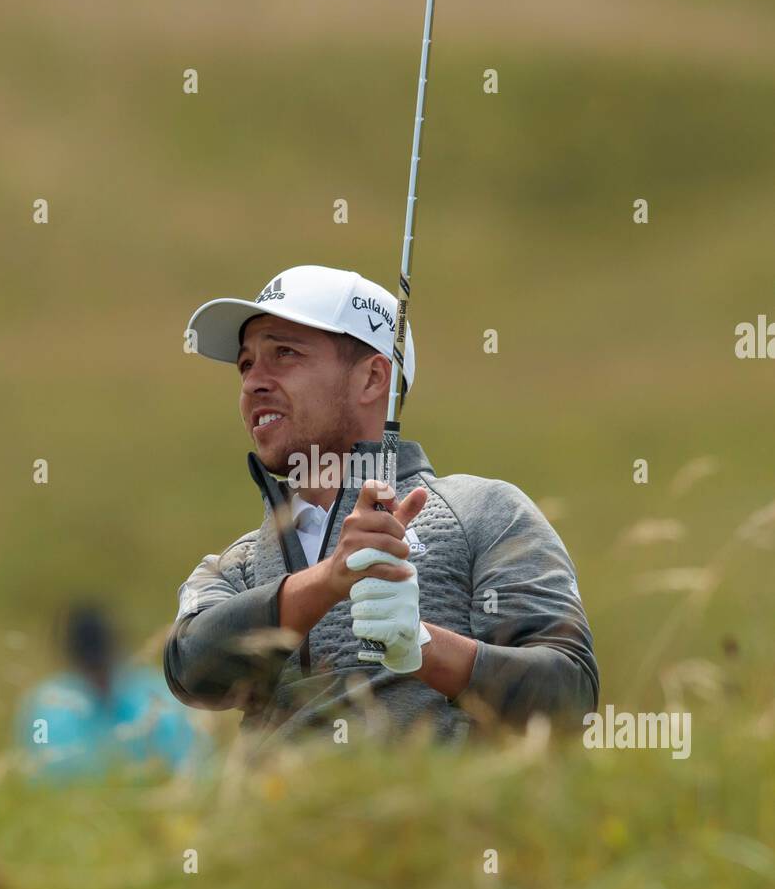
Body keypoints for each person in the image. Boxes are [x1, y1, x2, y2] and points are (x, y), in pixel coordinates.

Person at [165, 264, 598, 746]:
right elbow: (189, 670)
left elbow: (571, 695)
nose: (253, 383)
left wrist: (423, 647)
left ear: (373, 379)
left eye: (284, 353)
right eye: (246, 365)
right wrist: (329, 580)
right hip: (277, 801)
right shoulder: (234, 568)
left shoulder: (486, 512)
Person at [17, 605, 211, 779]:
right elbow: (37, 774)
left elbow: (194, 766)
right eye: (90, 668)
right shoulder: (45, 710)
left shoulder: (161, 699)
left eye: (101, 666)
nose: (99, 680)